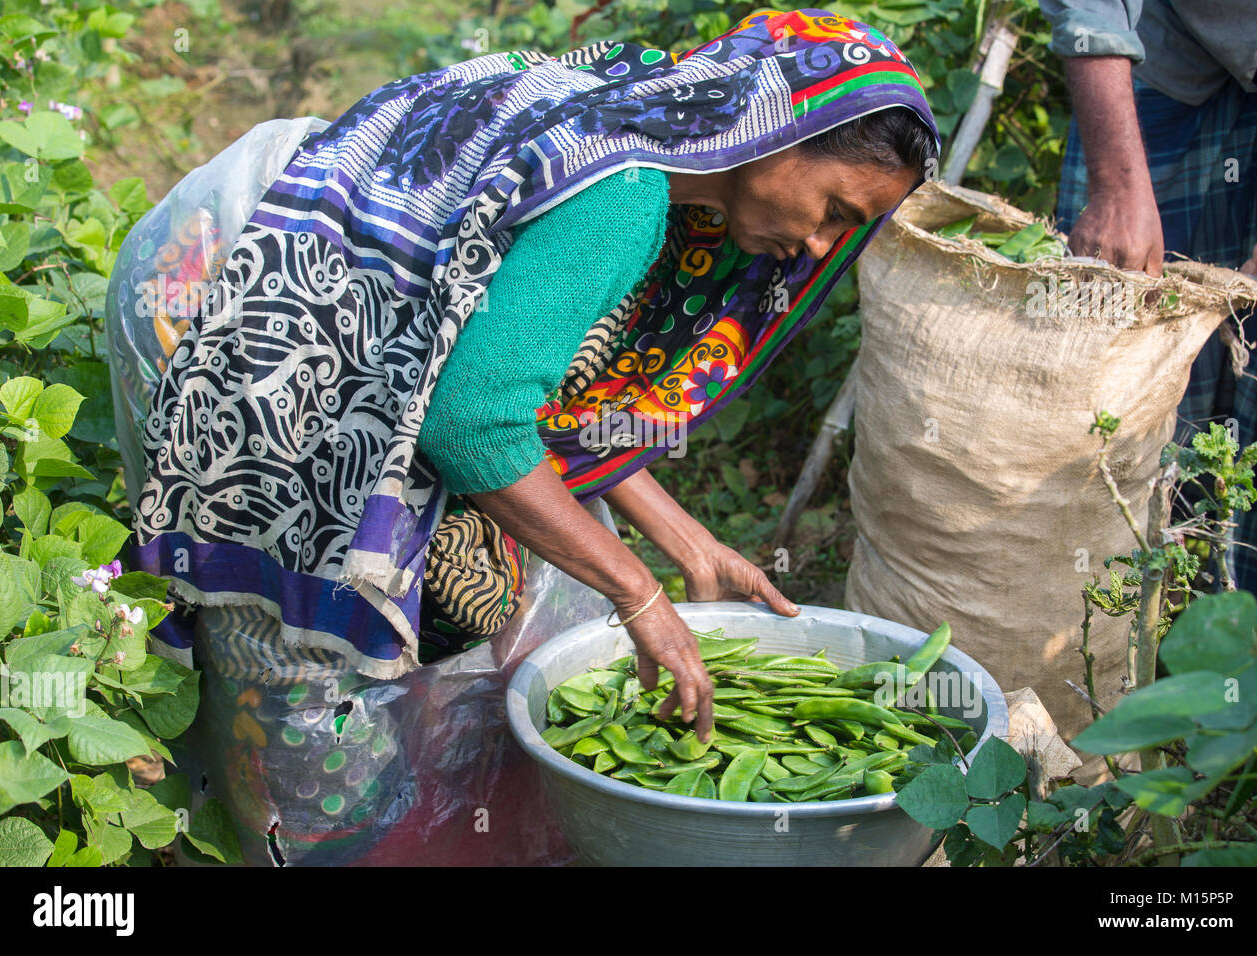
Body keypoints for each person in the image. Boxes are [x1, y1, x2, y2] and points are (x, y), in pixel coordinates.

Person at [114, 7, 939, 862]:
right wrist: (639, 596)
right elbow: (471, 424)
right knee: (297, 639)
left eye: (847, 231)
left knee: (497, 588)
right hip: (226, 287)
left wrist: (689, 545)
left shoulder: (652, 115)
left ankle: (416, 822)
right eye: (833, 208)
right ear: (782, 128)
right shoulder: (624, 198)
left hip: (302, 237)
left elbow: (534, 394)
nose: (816, 244)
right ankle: (304, 837)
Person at [1040, 0, 1257, 595]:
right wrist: (1117, 183)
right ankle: (1118, 619)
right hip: (1164, 55)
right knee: (1117, 364)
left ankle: (1245, 633)